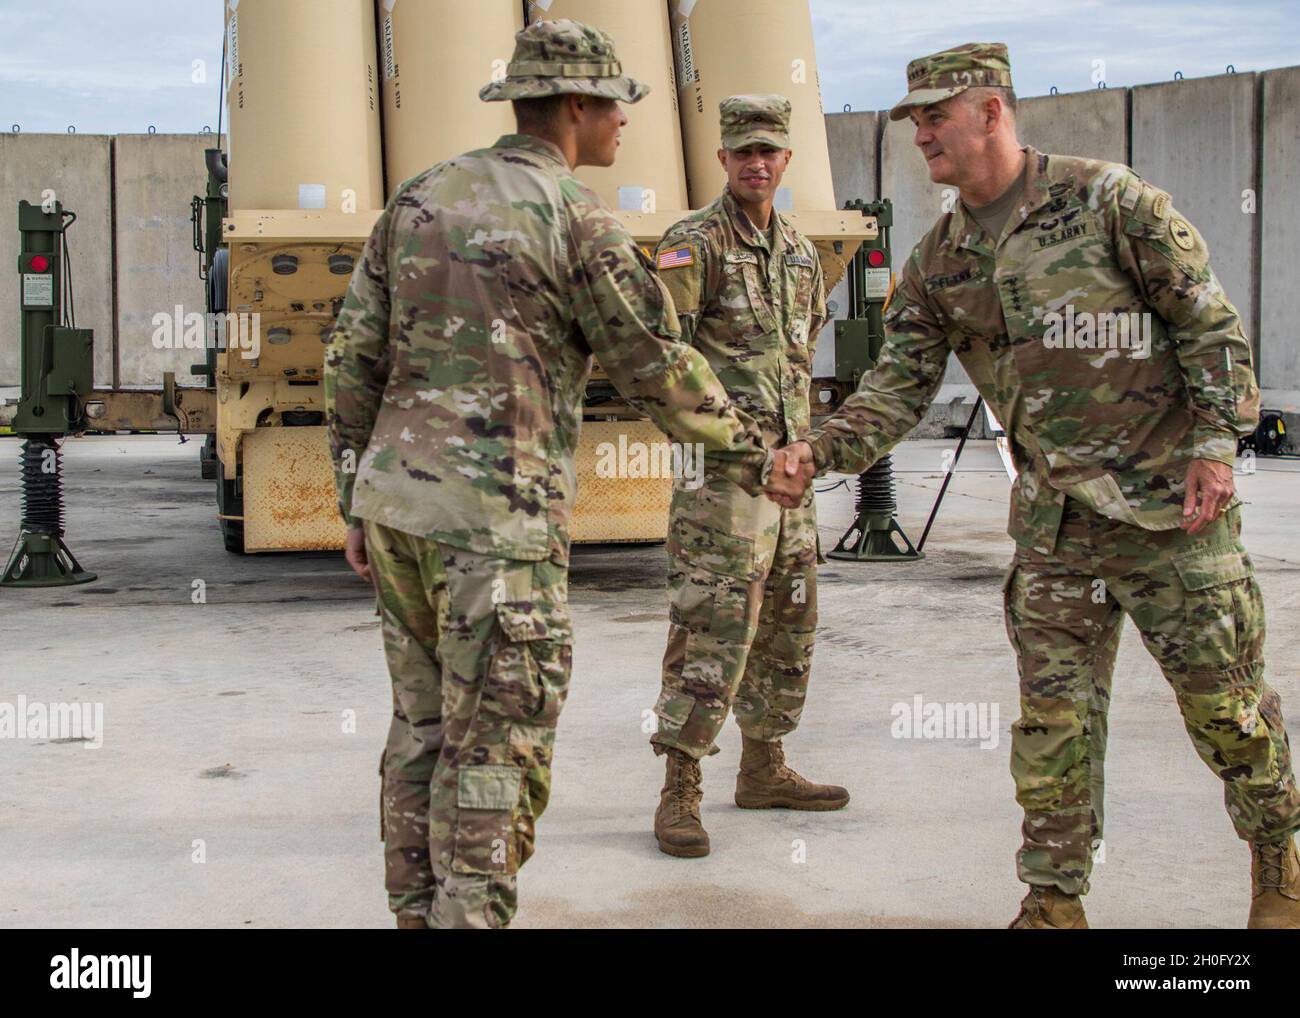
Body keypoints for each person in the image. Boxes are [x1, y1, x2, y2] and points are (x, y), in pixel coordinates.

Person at [772, 42, 1300, 929]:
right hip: (1055, 531)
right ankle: (1054, 902)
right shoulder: (938, 260)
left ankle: (1280, 866)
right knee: (1053, 728)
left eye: (937, 115)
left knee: (1228, 715)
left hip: (1172, 514)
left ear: (993, 112)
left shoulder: (1108, 201)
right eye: (913, 121)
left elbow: (1207, 324)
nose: (922, 133)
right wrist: (813, 454)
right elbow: (896, 390)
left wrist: (1216, 443)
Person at [325, 18, 810, 929]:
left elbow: (351, 358)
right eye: (617, 106)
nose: (625, 123)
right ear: (577, 106)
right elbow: (658, 365)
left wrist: (353, 497)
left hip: (397, 511)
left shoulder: (421, 195)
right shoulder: (576, 219)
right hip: (496, 528)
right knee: (499, 741)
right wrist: (762, 455)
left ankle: (415, 914)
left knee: (421, 730)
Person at [649, 94, 848, 859]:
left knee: (789, 623)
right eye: (743, 152)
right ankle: (680, 787)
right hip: (720, 481)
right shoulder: (691, 246)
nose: (757, 163)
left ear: (785, 161)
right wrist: (730, 444)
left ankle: (763, 768)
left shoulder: (800, 254)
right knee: (711, 625)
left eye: (770, 151)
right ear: (724, 160)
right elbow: (664, 362)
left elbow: (804, 355)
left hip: (789, 479)